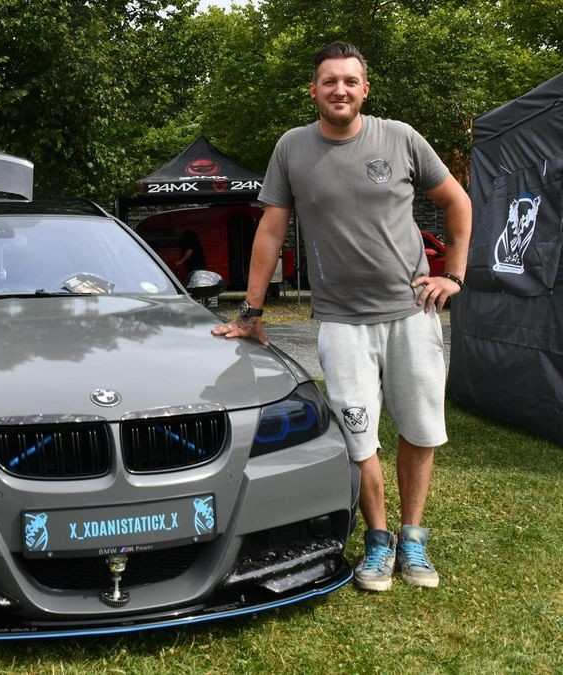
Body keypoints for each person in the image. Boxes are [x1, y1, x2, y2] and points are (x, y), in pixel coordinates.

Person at [212, 42, 471, 592]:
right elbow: (270, 231)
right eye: (330, 81)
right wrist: (252, 312)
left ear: (365, 89)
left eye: (351, 81)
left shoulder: (400, 138)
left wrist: (455, 274)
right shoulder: (291, 148)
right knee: (358, 434)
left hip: (411, 312)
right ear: (314, 90)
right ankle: (378, 540)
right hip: (342, 321)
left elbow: (456, 202)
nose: (340, 90)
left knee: (420, 428)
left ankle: (414, 536)